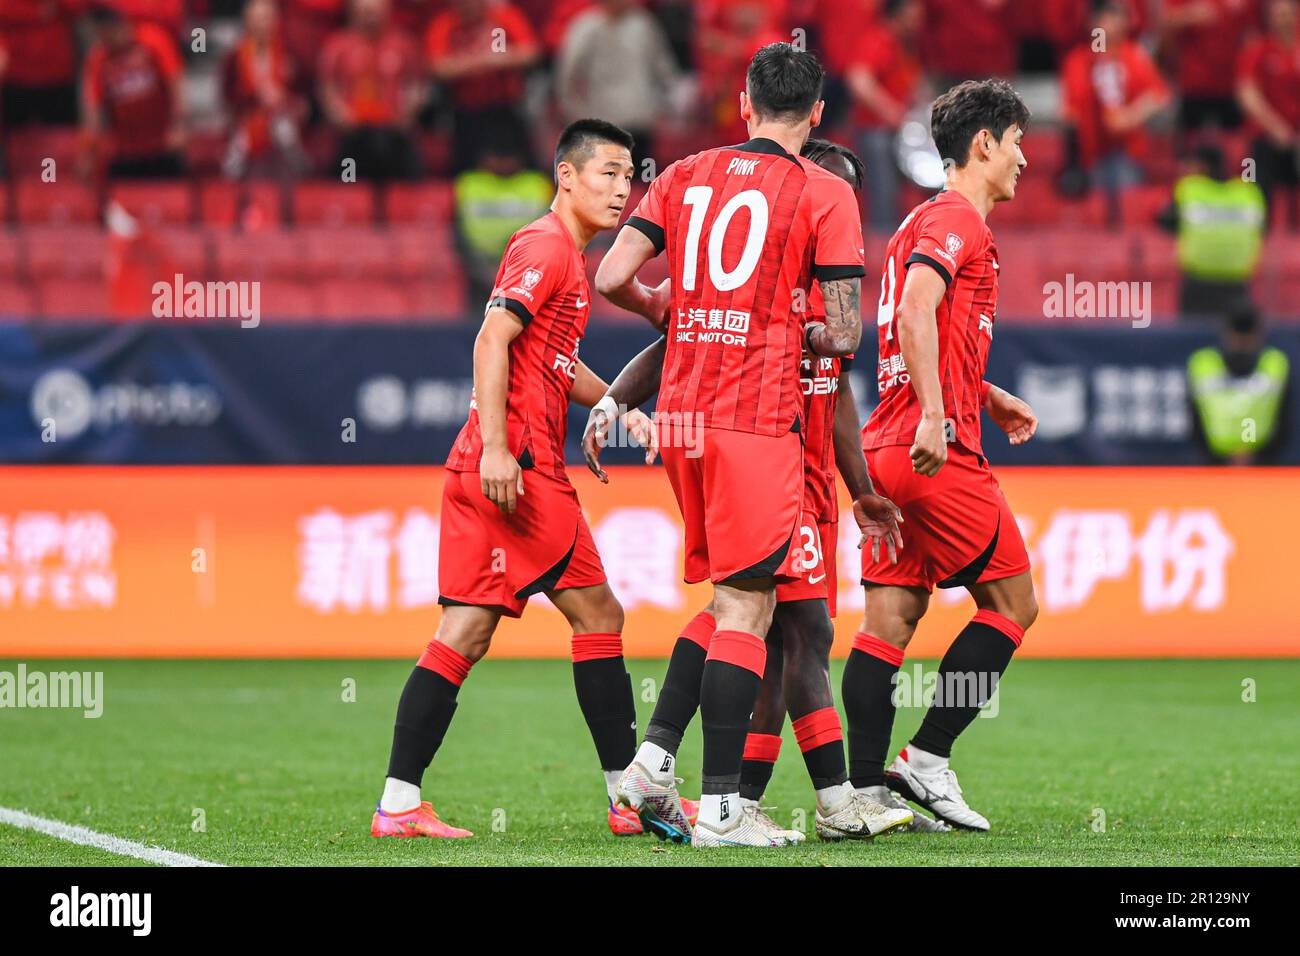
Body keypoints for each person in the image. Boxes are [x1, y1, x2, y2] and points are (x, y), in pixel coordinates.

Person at [593, 42, 913, 849]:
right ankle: (723, 809)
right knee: (748, 606)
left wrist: (669, 306)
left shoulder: (681, 173)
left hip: (681, 420)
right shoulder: (824, 190)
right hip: (755, 423)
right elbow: (840, 336)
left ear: (743, 103)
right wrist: (789, 325)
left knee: (733, 599)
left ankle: (654, 770)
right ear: (817, 114)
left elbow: (610, 279)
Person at [370, 120, 665, 839]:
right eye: (607, 173)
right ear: (566, 176)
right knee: (599, 617)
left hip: (484, 464)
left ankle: (399, 803)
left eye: (629, 177)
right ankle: (627, 800)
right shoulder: (546, 247)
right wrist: (503, 448)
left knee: (464, 633)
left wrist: (619, 406)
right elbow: (491, 337)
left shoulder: (561, 254)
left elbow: (555, 365)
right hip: (518, 470)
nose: (622, 189)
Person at [852, 79, 1041, 832]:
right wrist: (941, 412)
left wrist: (981, 390)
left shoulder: (913, 224)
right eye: (1018, 142)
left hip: (883, 452)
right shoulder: (960, 218)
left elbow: (913, 326)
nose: (1025, 159)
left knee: (888, 623)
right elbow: (918, 307)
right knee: (1014, 603)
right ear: (985, 144)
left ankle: (860, 795)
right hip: (937, 452)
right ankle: (927, 759)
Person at [1060, 0, 1170, 224]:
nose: (1116, 23)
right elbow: (1069, 112)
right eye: (1108, 17)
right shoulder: (1078, 60)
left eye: (1118, 17)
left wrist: (1131, 116)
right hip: (1091, 155)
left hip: (1129, 153)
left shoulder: (1135, 56)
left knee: (1125, 185)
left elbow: (1160, 96)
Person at [554, 0, 679, 171]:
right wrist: (575, 113)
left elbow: (663, 69)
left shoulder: (643, 25)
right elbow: (569, 75)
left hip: (640, 119)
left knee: (641, 181)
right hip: (601, 123)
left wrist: (664, 106)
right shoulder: (585, 27)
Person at [426, 0, 540, 173]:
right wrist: (479, 62)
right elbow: (438, 67)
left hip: (504, 107)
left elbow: (530, 52)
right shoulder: (446, 24)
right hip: (465, 111)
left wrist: (500, 59)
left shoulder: (501, 18)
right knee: (464, 168)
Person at [318, 0, 425, 181]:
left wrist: (409, 112)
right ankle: (348, 202)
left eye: (375, 11)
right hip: (353, 134)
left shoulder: (403, 44)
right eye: (365, 12)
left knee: (409, 179)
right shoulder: (338, 45)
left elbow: (417, 84)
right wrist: (338, 113)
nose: (370, 17)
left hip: (393, 133)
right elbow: (327, 85)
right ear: (353, 13)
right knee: (348, 181)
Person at [1157, 145, 1266, 320]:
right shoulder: (1249, 193)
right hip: (1237, 285)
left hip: (1198, 285)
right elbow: (1262, 229)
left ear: (1202, 166)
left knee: (1193, 339)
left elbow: (1164, 221)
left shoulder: (1190, 188)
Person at [80, 3, 186, 179]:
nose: (106, 39)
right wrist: (87, 153)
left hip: (163, 146)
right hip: (124, 151)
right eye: (100, 34)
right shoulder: (97, 59)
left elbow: (176, 84)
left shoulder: (154, 40)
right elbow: (92, 111)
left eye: (109, 31)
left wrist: (179, 126)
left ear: (122, 24)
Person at [453, 136, 554, 312]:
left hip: (528, 275)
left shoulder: (538, 184)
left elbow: (551, 235)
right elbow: (456, 233)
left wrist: (517, 270)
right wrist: (483, 270)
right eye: (496, 157)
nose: (502, 163)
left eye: (506, 158)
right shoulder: (468, 184)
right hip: (477, 274)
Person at [1188, 306, 1293, 464]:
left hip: (1262, 465)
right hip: (1216, 464)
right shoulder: (1203, 364)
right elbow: (1195, 421)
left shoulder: (1276, 364)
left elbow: (1285, 422)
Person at [1236, 0, 1300, 227]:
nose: (1284, 19)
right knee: (1249, 173)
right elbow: (1247, 94)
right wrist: (1276, 127)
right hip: (1263, 141)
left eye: (1288, 13)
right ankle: (1258, 229)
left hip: (1296, 139)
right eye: (1278, 14)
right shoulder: (1257, 50)